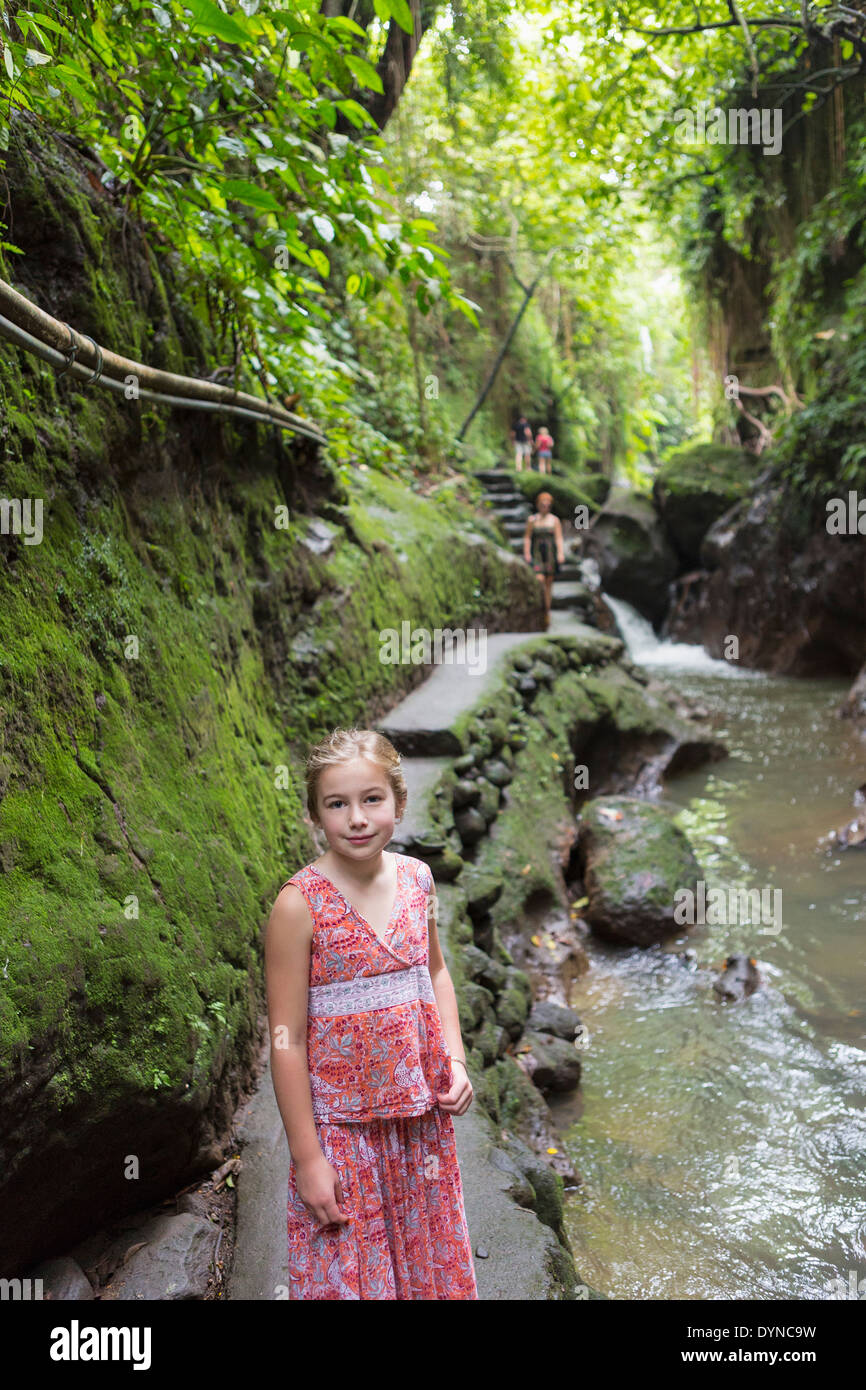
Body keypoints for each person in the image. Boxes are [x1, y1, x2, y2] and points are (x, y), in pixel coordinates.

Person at [265, 727, 478, 1300]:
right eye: (338, 804)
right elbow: (286, 1040)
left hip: (419, 1127)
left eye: (372, 799)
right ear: (315, 814)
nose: (357, 818)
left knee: (427, 1273)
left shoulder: (418, 881)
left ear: (399, 803)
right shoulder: (298, 905)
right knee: (354, 1277)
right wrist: (309, 1158)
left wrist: (455, 1060)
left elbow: (434, 972)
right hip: (344, 1137)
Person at [523, 490, 565, 630]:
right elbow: (527, 537)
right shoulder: (532, 520)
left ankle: (547, 611)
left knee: (548, 583)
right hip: (537, 554)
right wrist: (527, 553)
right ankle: (540, 608)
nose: (545, 506)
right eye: (543, 504)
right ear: (538, 505)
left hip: (550, 555)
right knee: (540, 579)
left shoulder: (554, 520)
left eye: (547, 504)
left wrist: (560, 553)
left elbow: (558, 538)